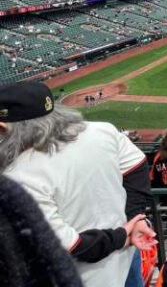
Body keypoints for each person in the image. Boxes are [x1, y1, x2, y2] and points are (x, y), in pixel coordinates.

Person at [0, 82, 157, 287]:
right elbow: (137, 168)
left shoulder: (18, 177)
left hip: (85, 277)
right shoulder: (101, 130)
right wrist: (132, 222)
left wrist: (123, 236)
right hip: (127, 258)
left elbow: (70, 246)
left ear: (3, 127)